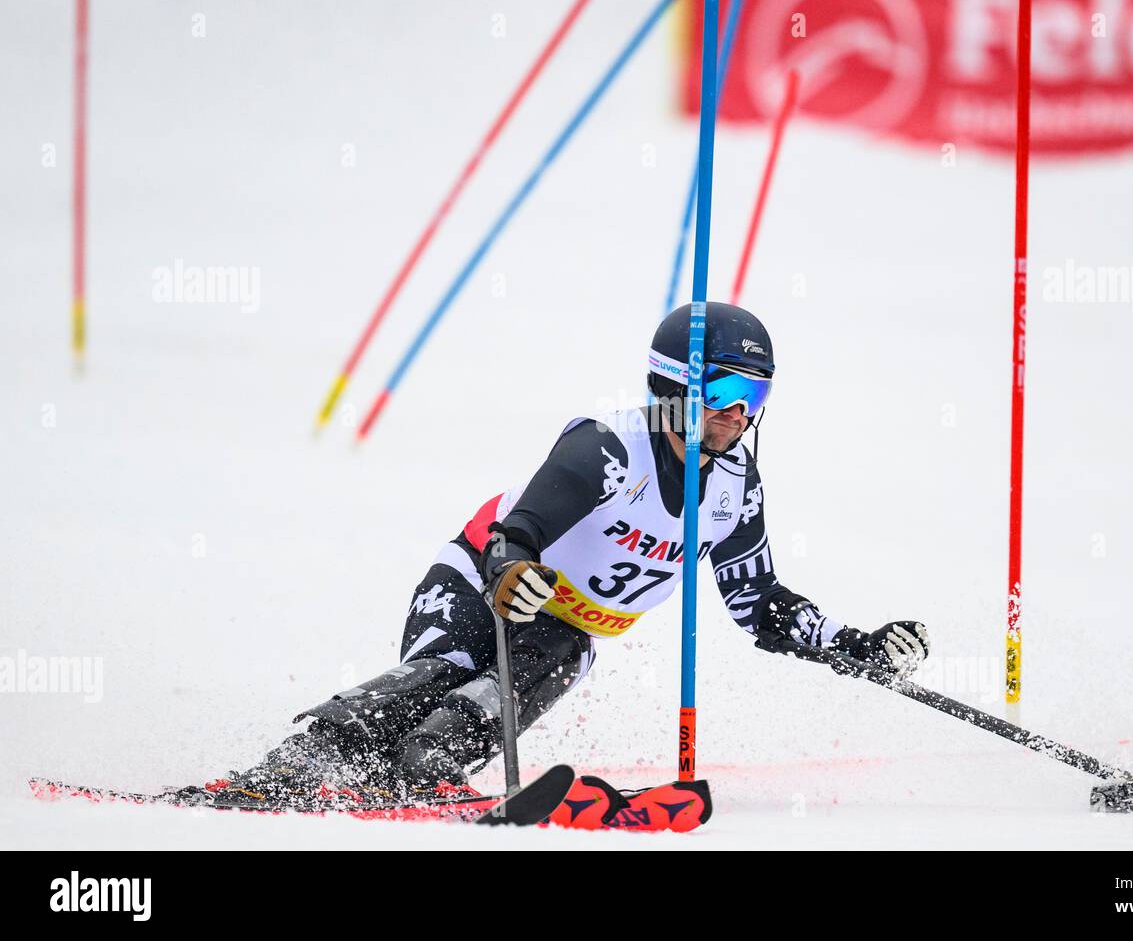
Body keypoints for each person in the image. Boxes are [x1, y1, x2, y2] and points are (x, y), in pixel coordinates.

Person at [235, 303, 929, 799]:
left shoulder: (736, 489)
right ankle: (307, 755)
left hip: (561, 630)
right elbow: (517, 535)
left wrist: (857, 645)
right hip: (478, 587)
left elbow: (760, 607)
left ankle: (423, 767)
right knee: (450, 669)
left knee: (564, 651)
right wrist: (514, 571)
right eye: (722, 391)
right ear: (674, 383)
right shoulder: (608, 445)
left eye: (754, 395)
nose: (737, 413)